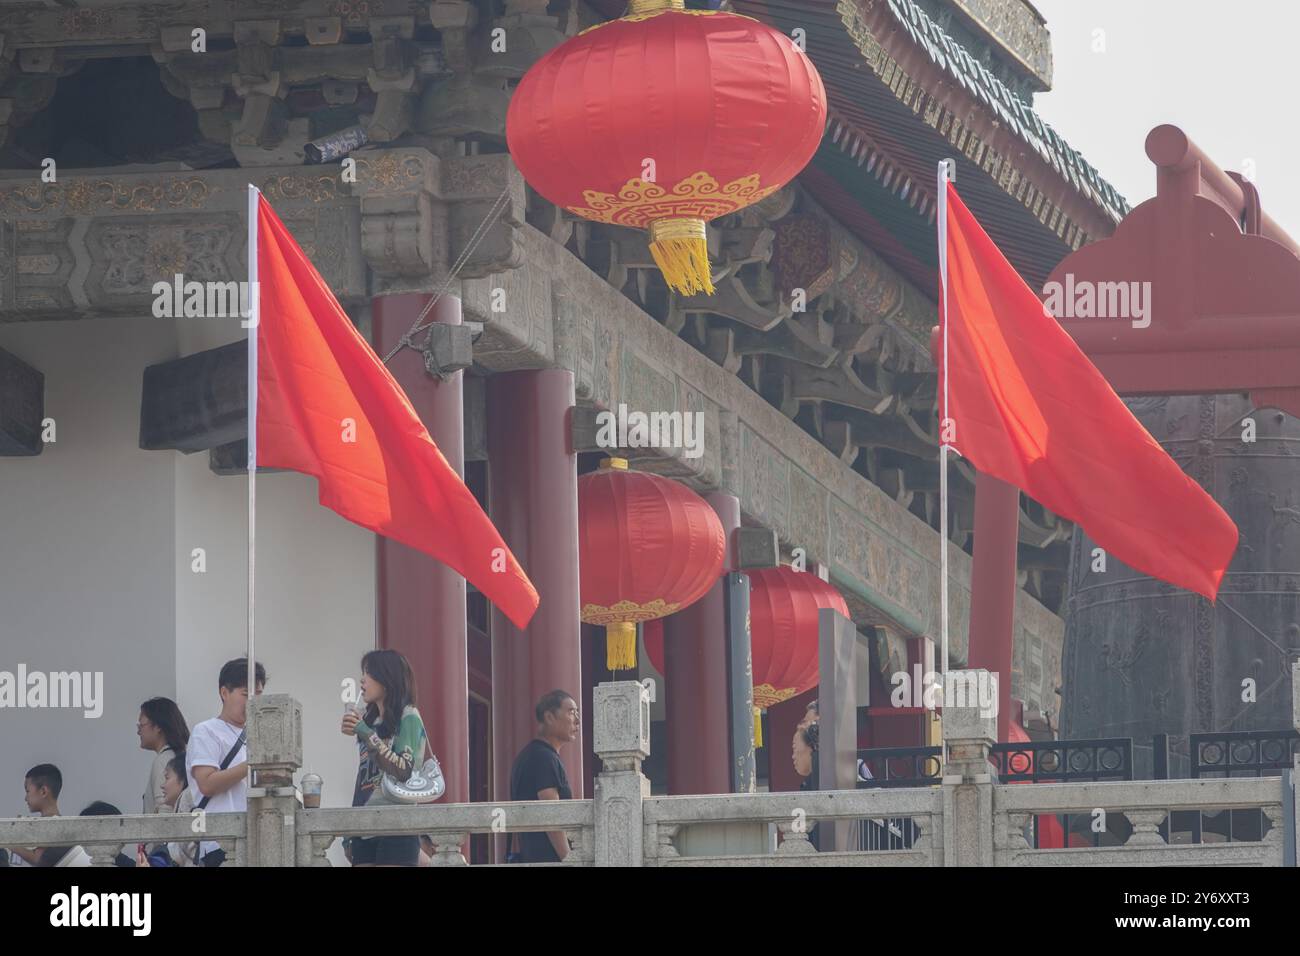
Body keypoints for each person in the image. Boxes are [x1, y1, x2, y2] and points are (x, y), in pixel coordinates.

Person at [341, 649, 428, 867]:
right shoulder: (368, 720)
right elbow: (363, 779)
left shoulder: (408, 716)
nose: (362, 679)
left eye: (369, 673)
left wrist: (366, 733)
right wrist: (349, 830)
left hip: (397, 823)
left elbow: (404, 769)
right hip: (365, 825)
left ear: (386, 678)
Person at [187, 657, 266, 867]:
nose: (253, 701)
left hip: (258, 839)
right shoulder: (206, 731)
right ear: (224, 693)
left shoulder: (260, 734)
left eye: (258, 695)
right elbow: (207, 784)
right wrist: (251, 764)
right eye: (246, 694)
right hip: (219, 844)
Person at [508, 690, 580, 863]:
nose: (577, 719)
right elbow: (550, 811)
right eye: (571, 712)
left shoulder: (531, 754)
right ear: (549, 717)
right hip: (548, 858)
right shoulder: (543, 758)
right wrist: (568, 859)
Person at [7, 765, 87, 867]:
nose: (25, 798)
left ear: (43, 791)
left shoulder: (52, 824)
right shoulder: (58, 823)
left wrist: (10, 842)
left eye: (28, 791)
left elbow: (37, 859)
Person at [138, 697, 190, 814]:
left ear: (158, 727)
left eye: (141, 725)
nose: (138, 731)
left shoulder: (164, 760)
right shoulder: (178, 756)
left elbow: (164, 809)